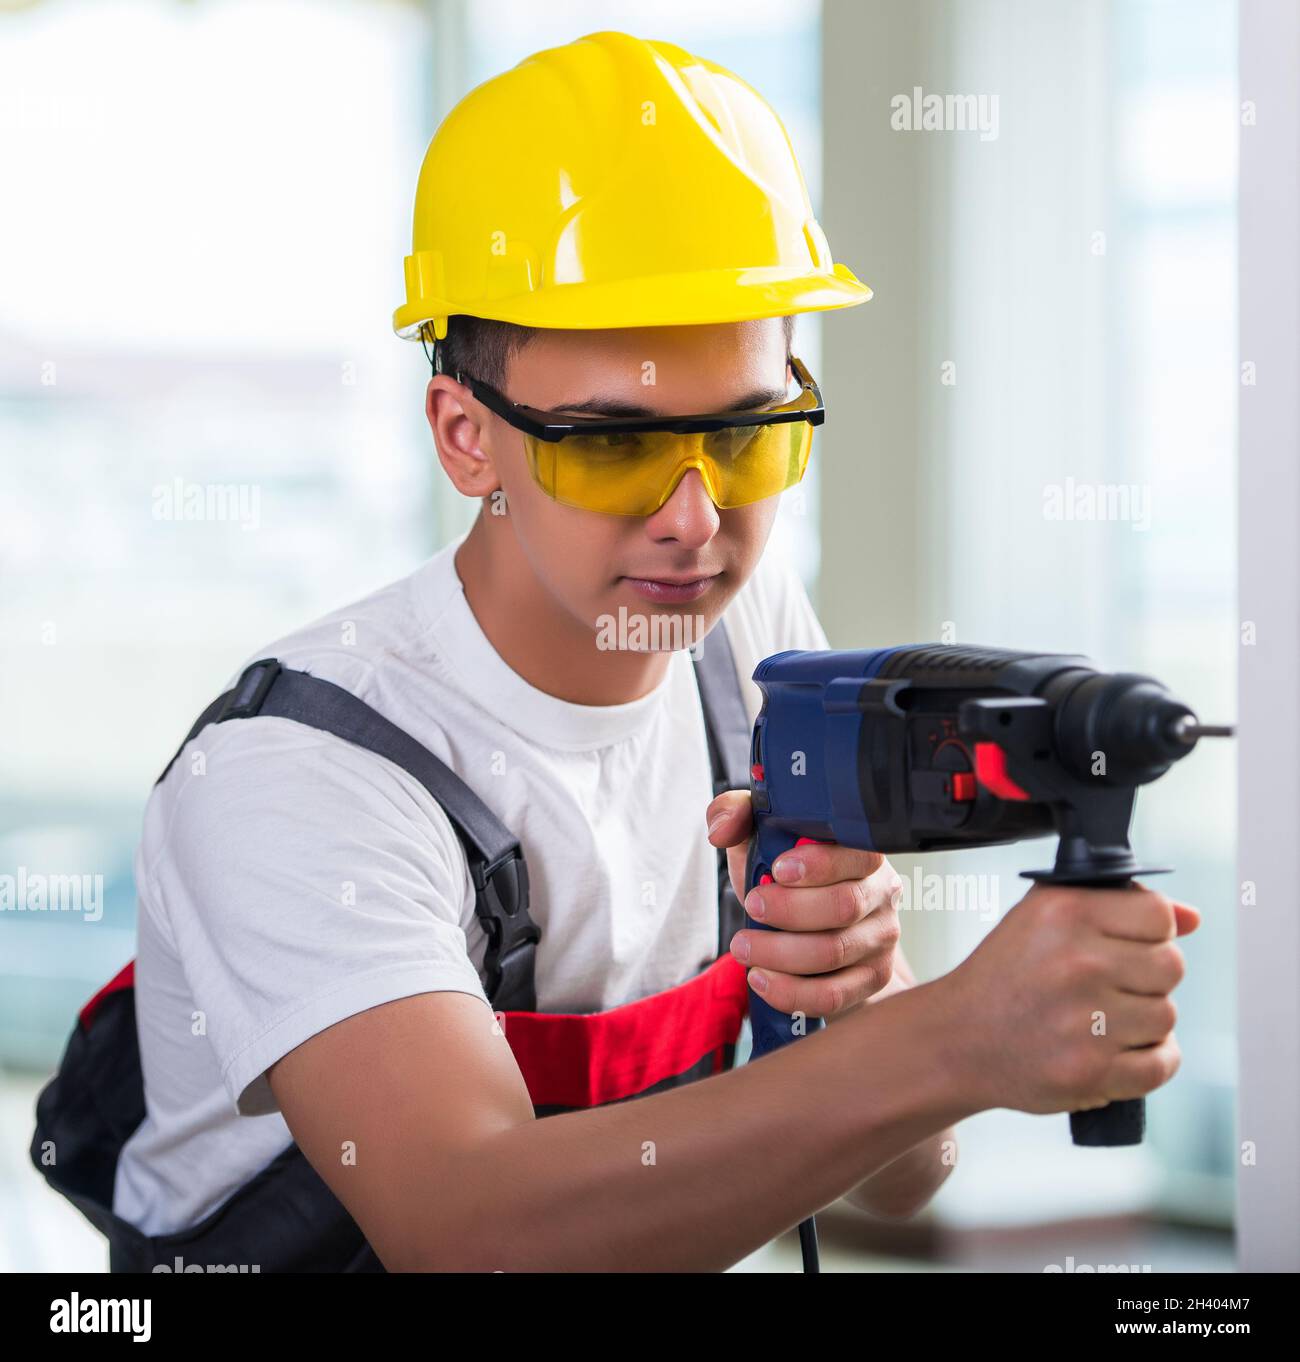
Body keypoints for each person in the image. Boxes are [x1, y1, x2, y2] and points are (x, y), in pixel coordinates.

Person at [106, 31, 1196, 1271]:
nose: (694, 517)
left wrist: (866, 995)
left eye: (745, 434)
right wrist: (951, 1036)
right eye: (615, 444)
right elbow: (469, 1235)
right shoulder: (298, 771)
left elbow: (900, 1185)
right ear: (466, 438)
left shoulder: (744, 643)